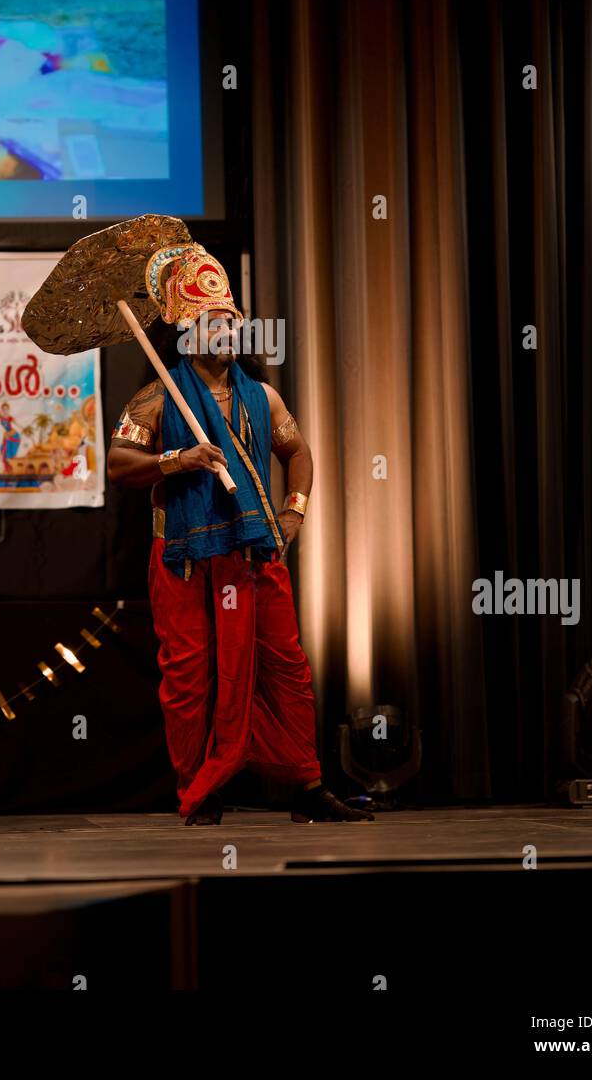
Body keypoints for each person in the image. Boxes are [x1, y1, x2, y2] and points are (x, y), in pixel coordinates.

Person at [107, 242, 374, 826]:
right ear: (187, 331)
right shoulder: (156, 398)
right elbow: (117, 464)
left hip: (252, 553)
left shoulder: (262, 397)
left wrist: (295, 512)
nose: (225, 330)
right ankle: (202, 789)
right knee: (190, 672)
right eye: (212, 322)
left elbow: (298, 451)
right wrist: (177, 459)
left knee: (284, 665)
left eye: (231, 320)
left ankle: (307, 783)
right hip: (183, 556)